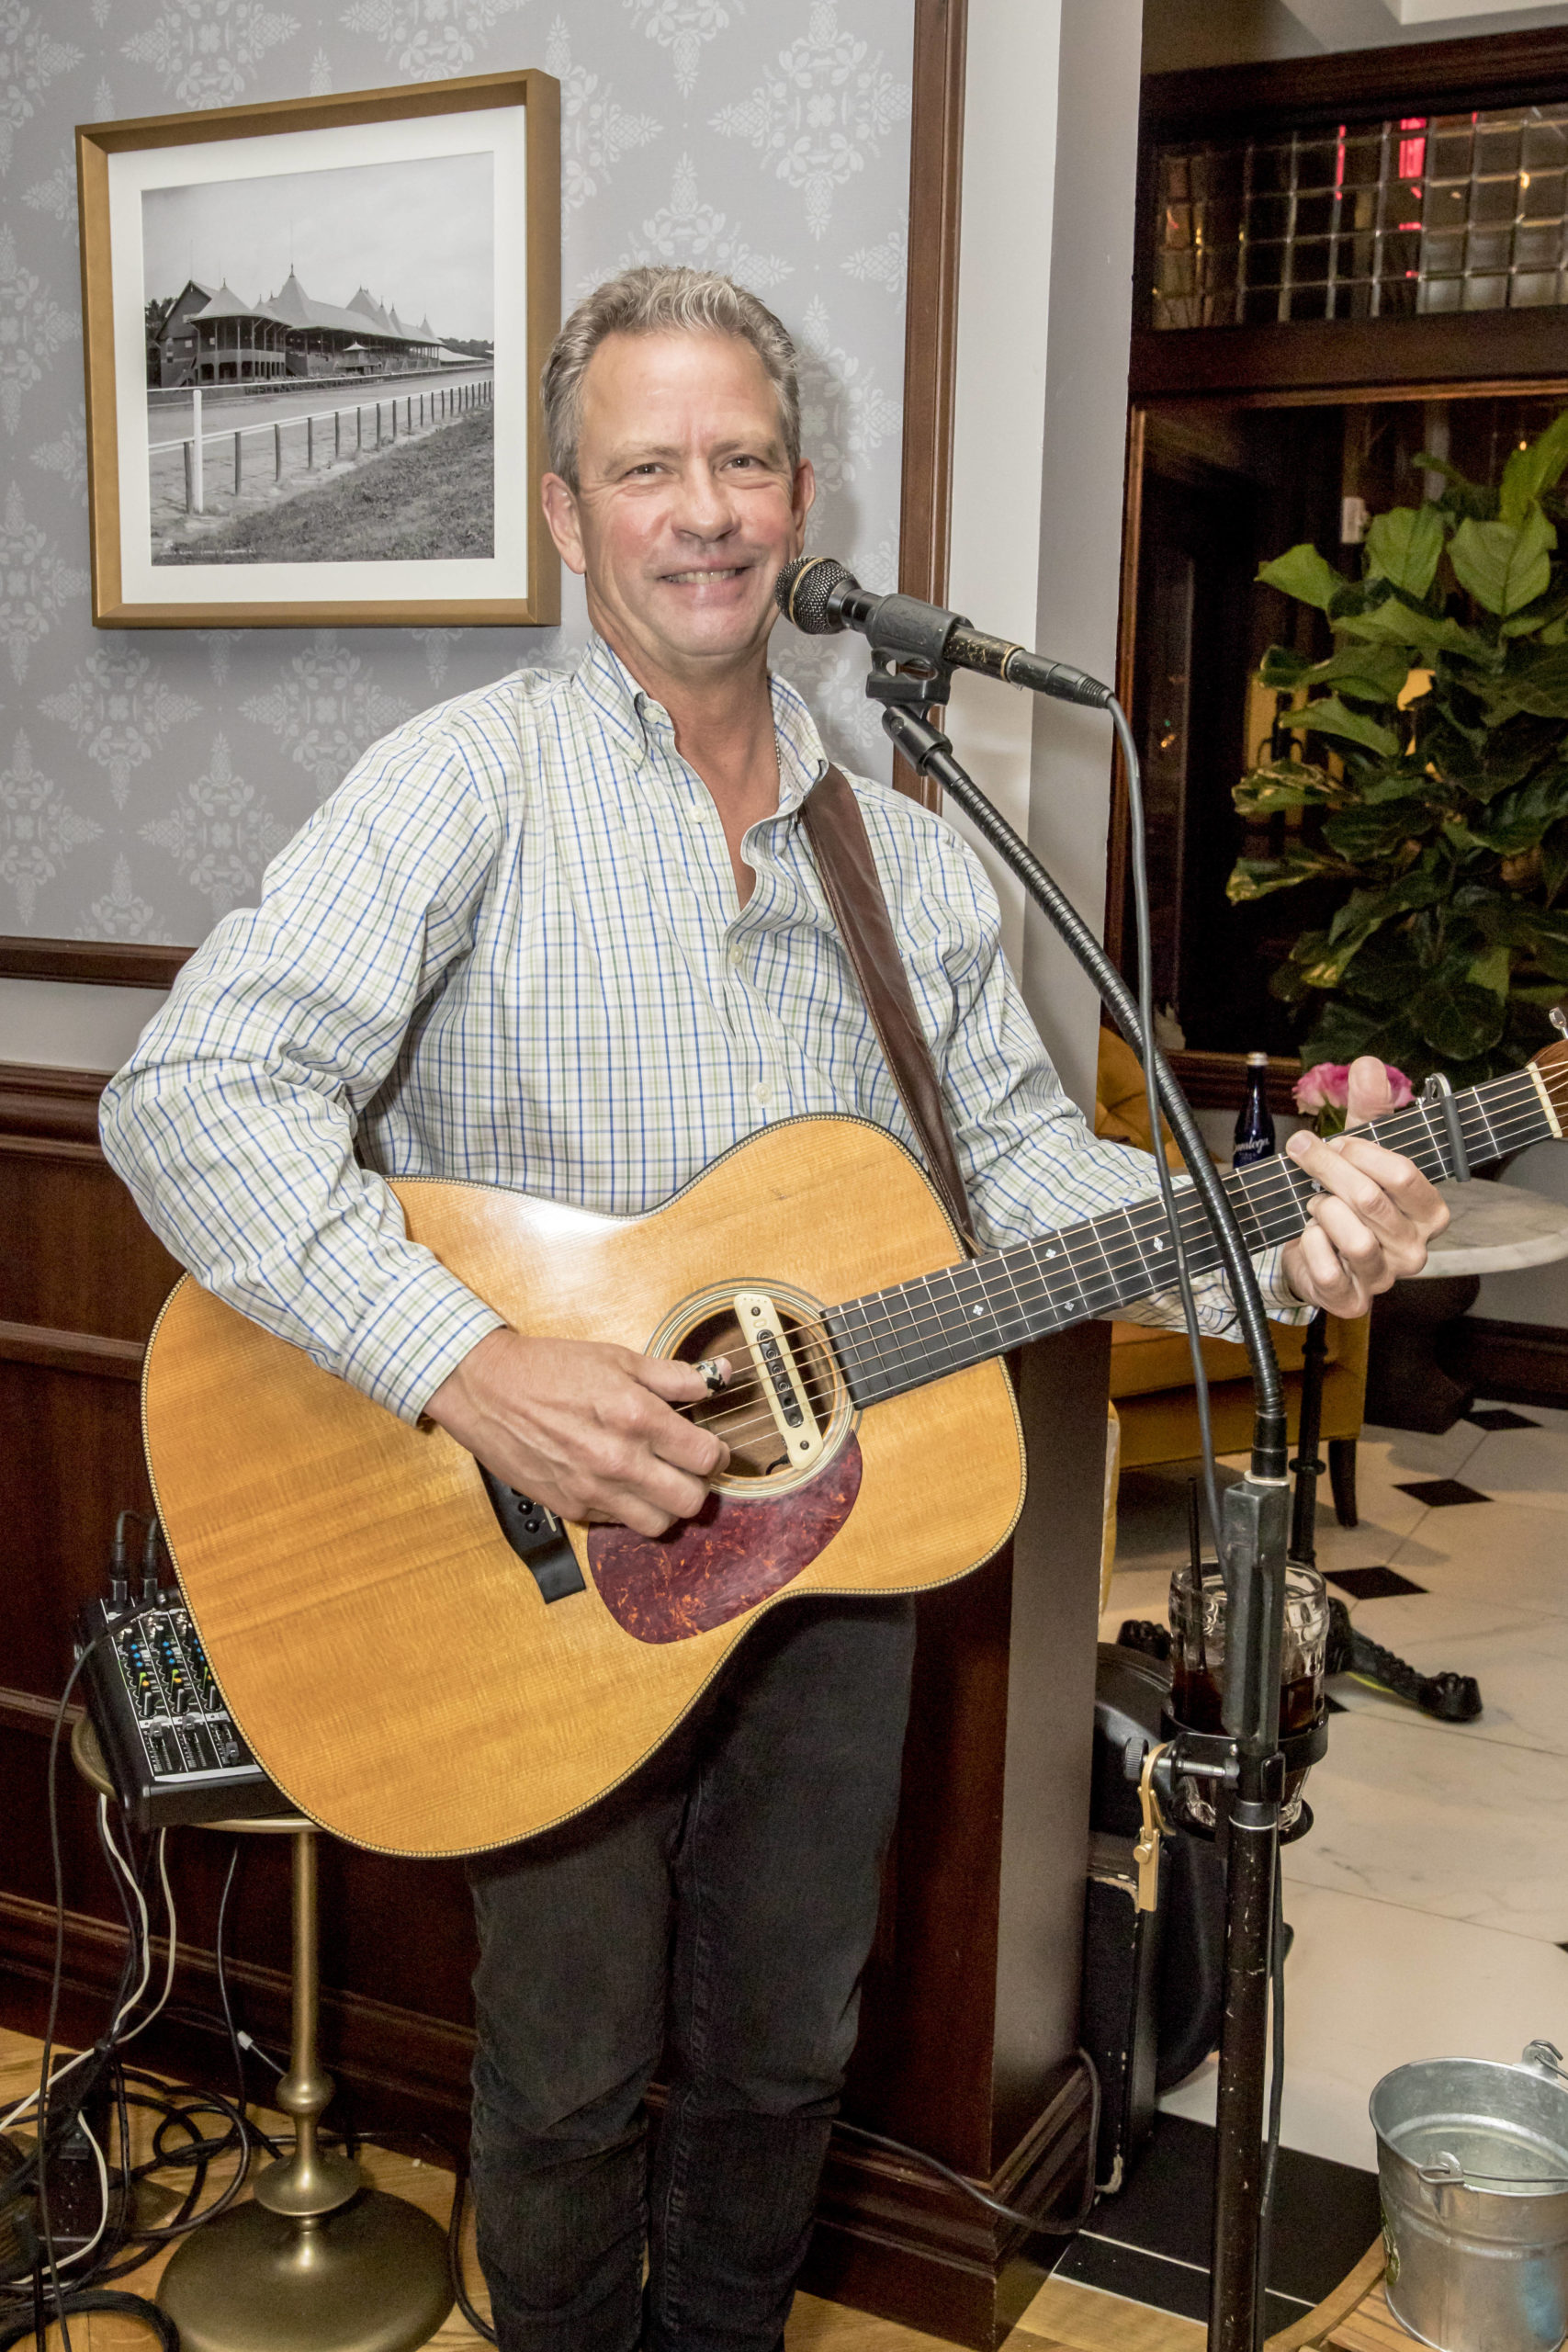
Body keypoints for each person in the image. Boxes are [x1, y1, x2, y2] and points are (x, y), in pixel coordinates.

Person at [100, 266, 1447, 2352]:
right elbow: (189, 1093)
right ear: (568, 514)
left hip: (829, 1550)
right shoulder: (468, 783)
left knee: (782, 2053)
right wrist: (472, 1366)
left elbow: (1024, 1183)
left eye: (739, 459)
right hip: (532, 1574)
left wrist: (1275, 1235)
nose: (703, 507)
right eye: (648, 465)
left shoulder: (905, 863)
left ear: (798, 494)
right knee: (557, 2076)